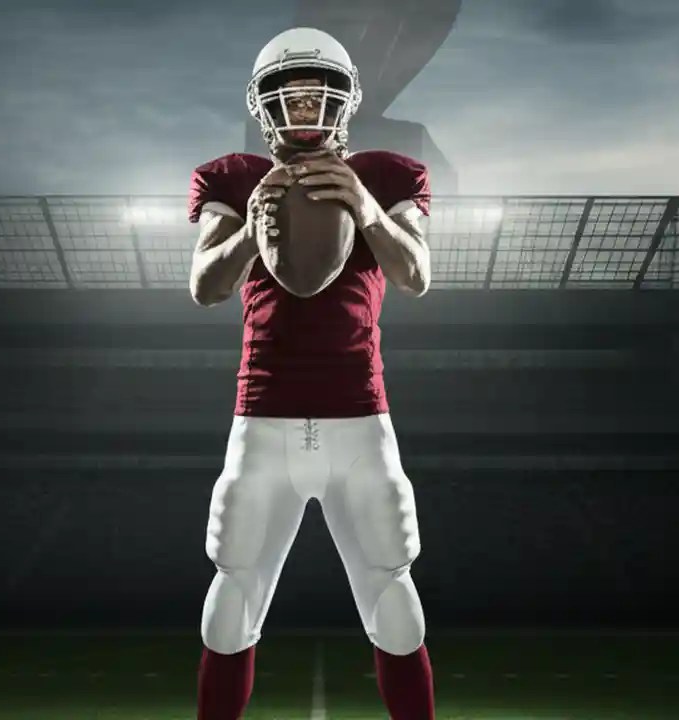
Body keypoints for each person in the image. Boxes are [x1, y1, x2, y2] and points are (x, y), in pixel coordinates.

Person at [186, 26, 435, 720]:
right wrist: (249, 224)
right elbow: (204, 285)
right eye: (287, 98)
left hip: (361, 414)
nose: (301, 110)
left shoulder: (387, 174)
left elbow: (416, 274)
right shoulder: (231, 177)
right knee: (231, 598)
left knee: (394, 596)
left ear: (343, 102)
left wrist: (361, 205)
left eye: (314, 96)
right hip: (261, 418)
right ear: (266, 106)